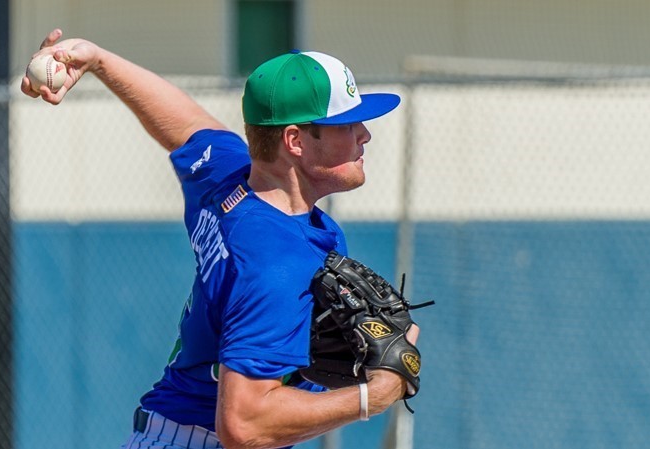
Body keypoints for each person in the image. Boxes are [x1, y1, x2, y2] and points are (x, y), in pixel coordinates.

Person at [23, 29, 419, 449]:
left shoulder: (230, 179)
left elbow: (189, 124)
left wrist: (99, 59)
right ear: (295, 141)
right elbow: (243, 425)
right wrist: (372, 397)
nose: (364, 135)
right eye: (345, 123)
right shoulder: (276, 264)